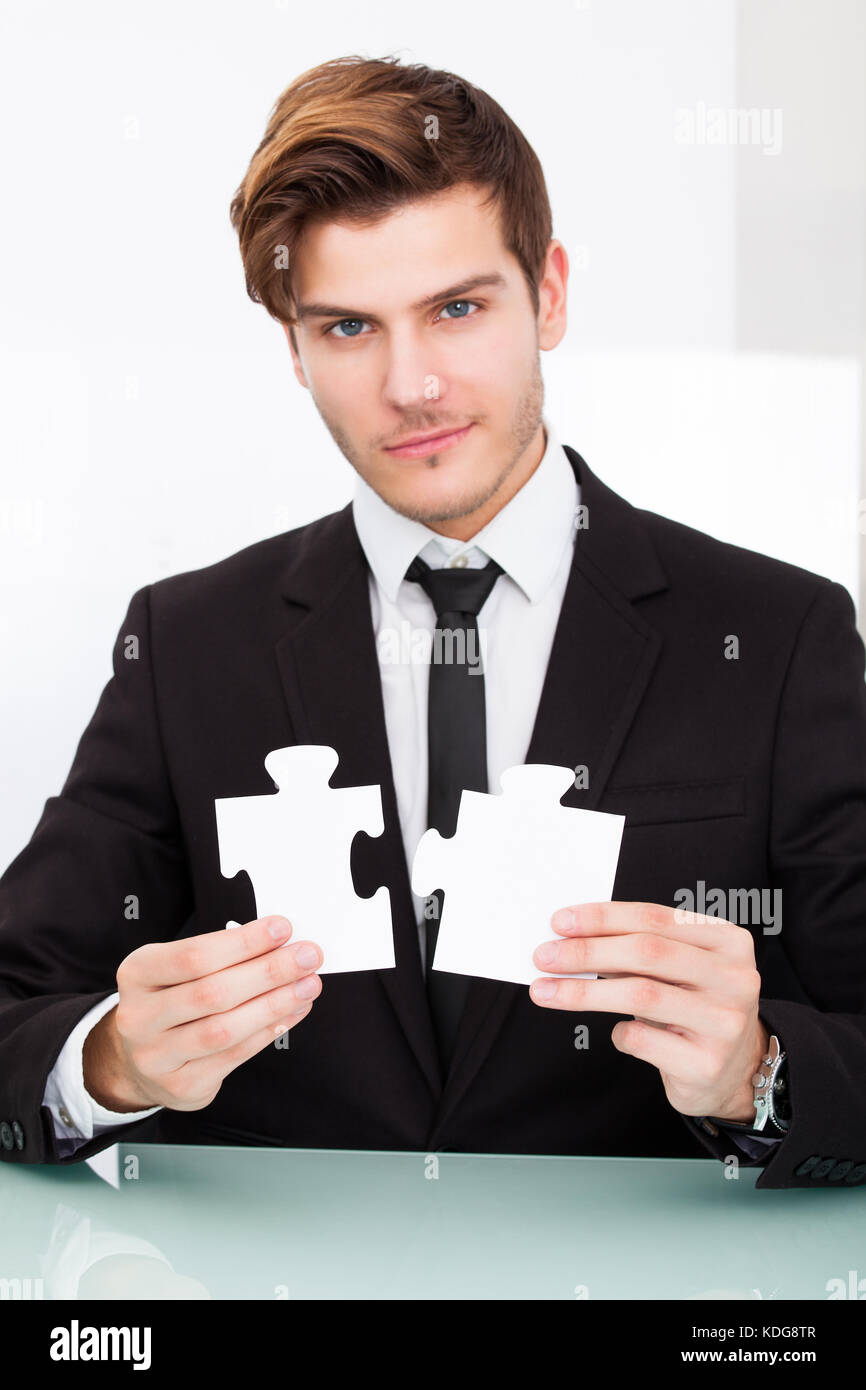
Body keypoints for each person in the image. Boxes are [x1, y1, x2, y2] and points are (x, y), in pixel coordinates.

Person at [1, 55, 864, 1189]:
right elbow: (15, 1003)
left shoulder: (777, 635)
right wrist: (109, 1060)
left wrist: (760, 1071)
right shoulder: (186, 644)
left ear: (548, 294)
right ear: (295, 348)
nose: (410, 386)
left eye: (457, 308)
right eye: (348, 327)